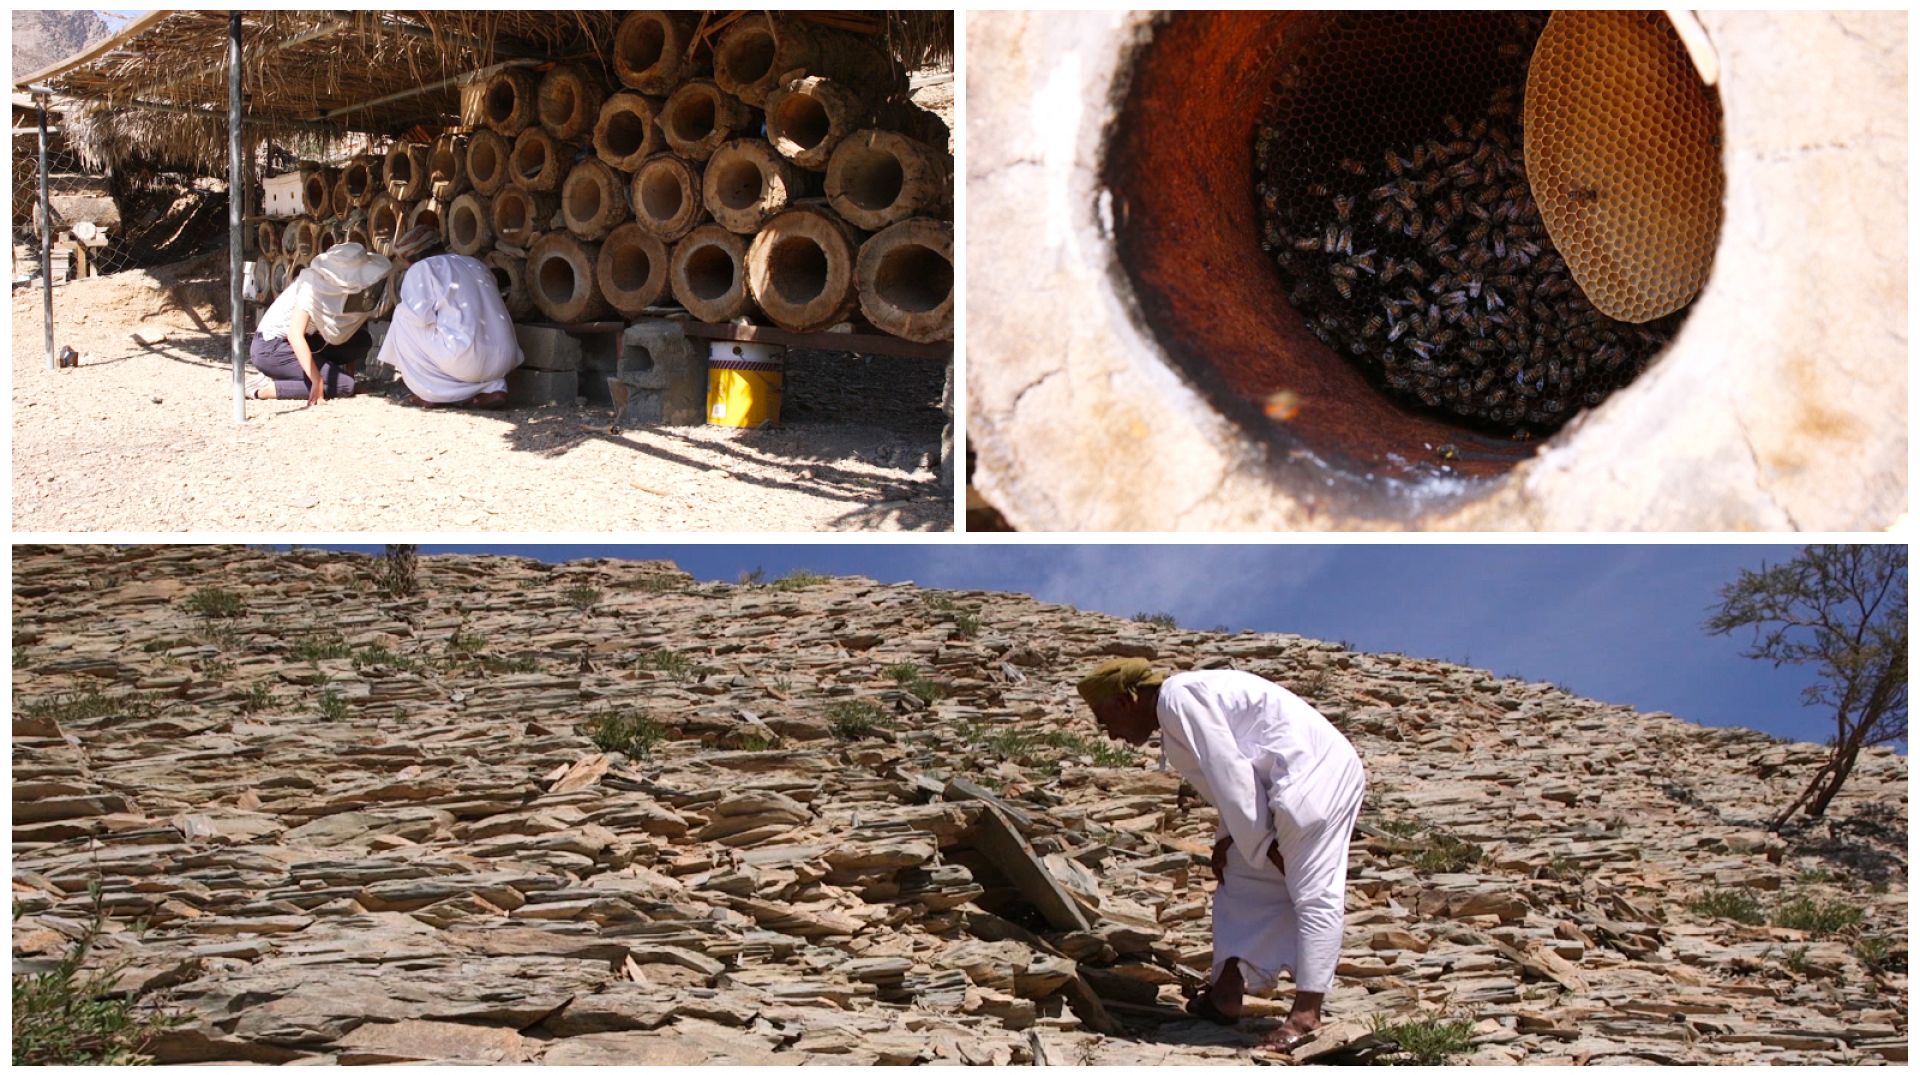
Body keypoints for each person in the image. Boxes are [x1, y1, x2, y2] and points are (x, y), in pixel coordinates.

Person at [1076, 659, 1367, 1053]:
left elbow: (1233, 773)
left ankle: (1306, 1015)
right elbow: (1234, 771)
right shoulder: (1174, 708)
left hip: (1314, 775)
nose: (1111, 734)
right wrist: (1230, 838)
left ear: (1125, 702)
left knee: (1312, 890)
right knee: (1239, 875)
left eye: (1105, 719)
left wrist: (1263, 845)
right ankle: (1226, 994)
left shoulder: (1181, 697)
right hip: (1280, 782)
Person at [375, 225, 521, 409]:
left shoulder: (422, 268)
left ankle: (432, 392)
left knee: (403, 316)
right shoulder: (474, 262)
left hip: (467, 360)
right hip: (505, 359)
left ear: (409, 259)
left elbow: (419, 318)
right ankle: (494, 388)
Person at [247, 243, 390, 404]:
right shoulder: (311, 287)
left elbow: (346, 330)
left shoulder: (333, 288)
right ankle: (265, 389)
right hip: (270, 349)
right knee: (344, 386)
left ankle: (310, 376)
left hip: (301, 341)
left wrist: (349, 372)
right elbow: (295, 335)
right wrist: (317, 380)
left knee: (361, 341)